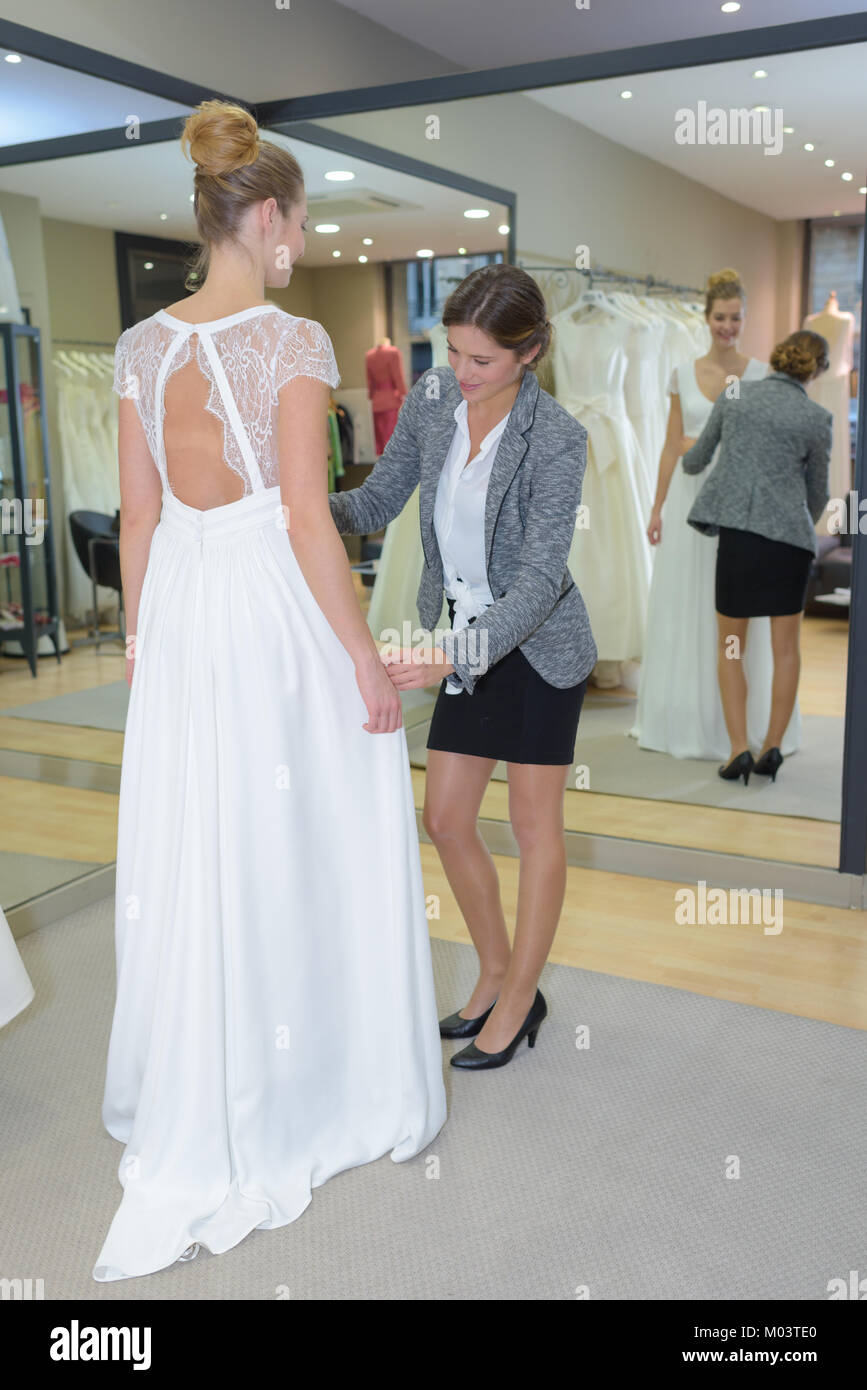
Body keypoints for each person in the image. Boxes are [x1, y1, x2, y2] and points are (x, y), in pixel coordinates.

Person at [94, 99, 446, 1283]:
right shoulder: (290, 343)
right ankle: (310, 1076)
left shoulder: (141, 347)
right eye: (303, 217)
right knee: (303, 827)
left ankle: (213, 1072)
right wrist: (358, 653)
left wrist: (144, 644)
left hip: (185, 615)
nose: (305, 234)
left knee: (204, 834)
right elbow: (303, 517)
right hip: (264, 610)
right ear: (272, 215)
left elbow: (138, 521)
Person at [329, 264, 597, 1070]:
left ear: (530, 351)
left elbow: (541, 579)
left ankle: (519, 995)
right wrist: (299, 506)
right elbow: (377, 502)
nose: (461, 374)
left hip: (538, 649)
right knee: (444, 818)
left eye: (481, 360)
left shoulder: (557, 439)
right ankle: (490, 970)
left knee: (530, 827)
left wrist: (449, 650)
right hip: (468, 643)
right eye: (453, 353)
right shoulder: (434, 400)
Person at [633, 268, 801, 761]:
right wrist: (657, 507)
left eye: (736, 318)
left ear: (745, 319)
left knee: (734, 614)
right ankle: (689, 719)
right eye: (720, 318)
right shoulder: (682, 374)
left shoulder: (761, 375)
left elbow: (768, 448)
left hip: (740, 508)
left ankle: (746, 729)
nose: (727, 326)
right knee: (688, 603)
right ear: (706, 319)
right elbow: (669, 447)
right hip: (689, 503)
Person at [682, 330, 832, 784]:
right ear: (817, 370)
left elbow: (696, 460)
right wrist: (793, 519)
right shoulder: (817, 417)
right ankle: (772, 748)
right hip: (789, 545)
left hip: (740, 542)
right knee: (787, 650)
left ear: (776, 359)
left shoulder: (736, 394)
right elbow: (818, 494)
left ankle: (737, 750)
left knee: (732, 648)